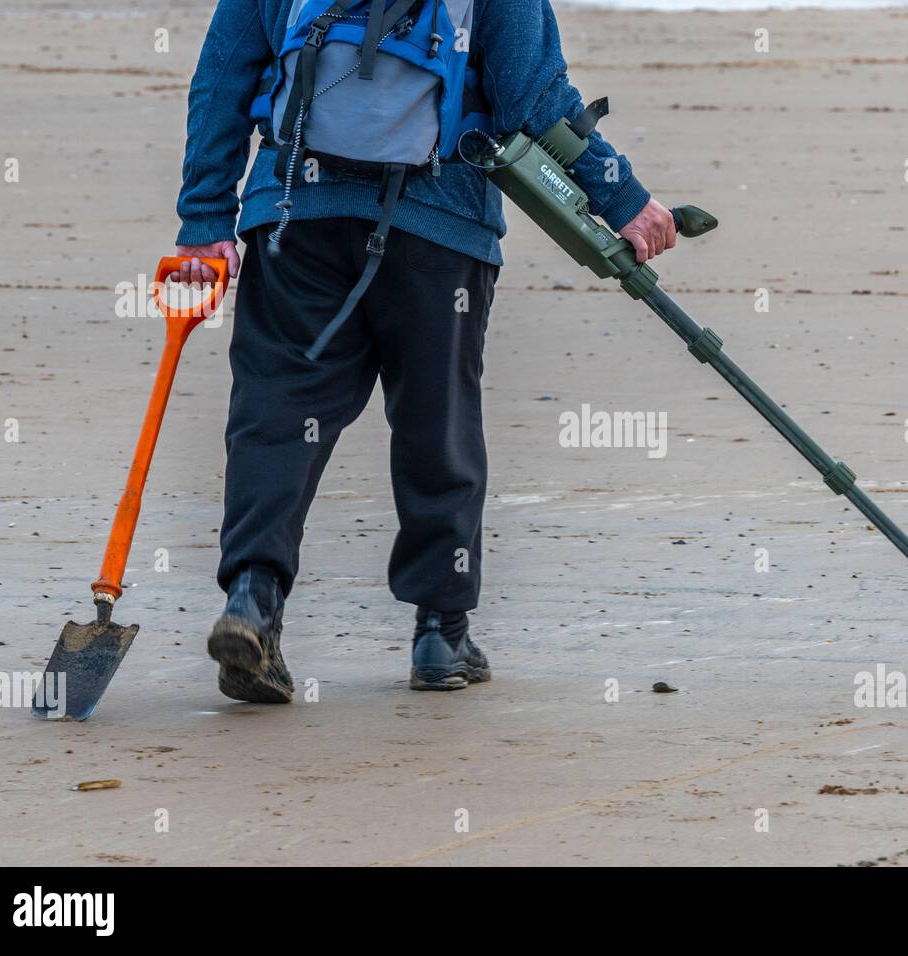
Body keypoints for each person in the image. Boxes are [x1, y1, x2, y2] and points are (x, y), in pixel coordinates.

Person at [175, 0, 675, 700]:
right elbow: (533, 96)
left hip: (294, 214)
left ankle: (253, 600)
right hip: (441, 221)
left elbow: (222, 77)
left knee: (277, 408)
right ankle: (440, 633)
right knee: (436, 418)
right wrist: (621, 196)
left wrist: (204, 219)